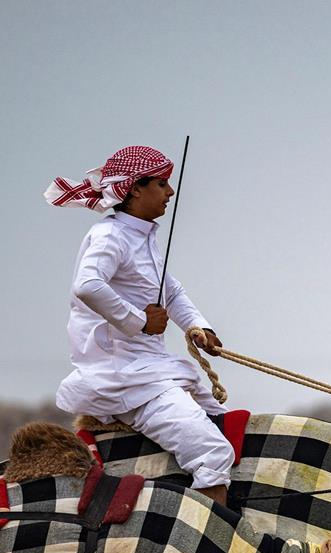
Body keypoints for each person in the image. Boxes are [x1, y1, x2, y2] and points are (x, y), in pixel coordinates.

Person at [44, 145, 234, 506]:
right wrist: (140, 322)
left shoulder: (142, 237)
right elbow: (87, 285)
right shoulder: (110, 236)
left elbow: (170, 290)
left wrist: (198, 326)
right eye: (162, 184)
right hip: (125, 378)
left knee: (224, 418)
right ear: (133, 189)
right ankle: (211, 551)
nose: (171, 193)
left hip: (151, 370)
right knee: (213, 453)